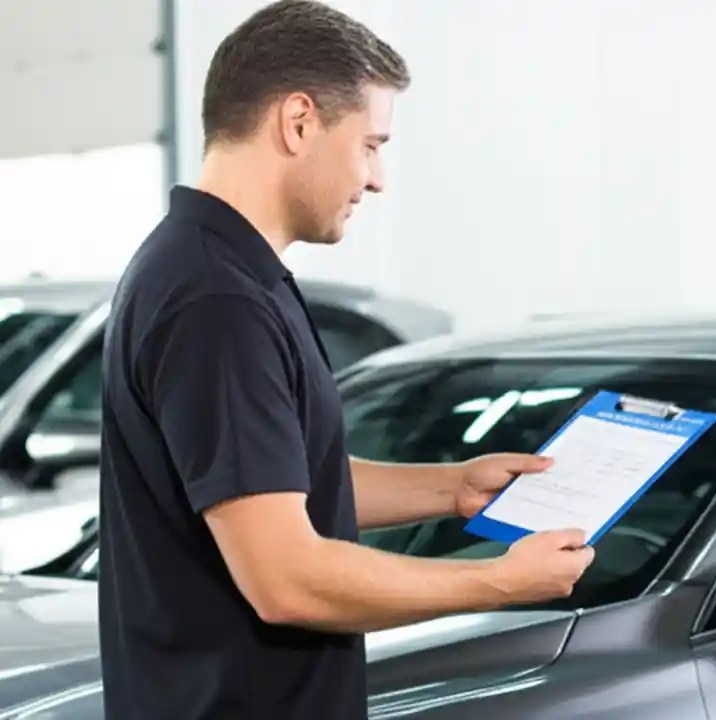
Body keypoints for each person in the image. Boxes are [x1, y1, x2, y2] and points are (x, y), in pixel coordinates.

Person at [97, 2, 594, 718]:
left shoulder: (219, 273)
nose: (378, 177)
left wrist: (452, 489)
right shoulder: (216, 302)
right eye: (370, 144)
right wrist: (498, 583)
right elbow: (287, 578)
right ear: (298, 121)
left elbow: (274, 481)